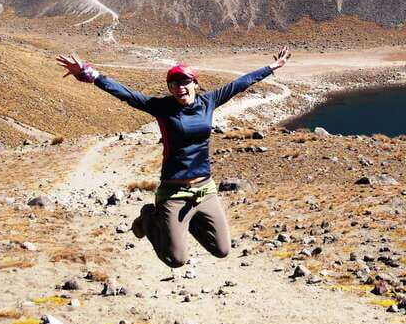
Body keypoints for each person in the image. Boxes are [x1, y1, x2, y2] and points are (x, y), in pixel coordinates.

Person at [56, 47, 291, 268]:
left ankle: (180, 225)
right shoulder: (161, 107)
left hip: (205, 190)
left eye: (185, 81)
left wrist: (272, 67)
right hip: (173, 192)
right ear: (169, 88)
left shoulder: (208, 102)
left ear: (195, 83)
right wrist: (90, 74)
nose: (179, 87)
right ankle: (149, 218)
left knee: (222, 250)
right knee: (176, 260)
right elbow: (125, 94)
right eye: (173, 84)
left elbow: (241, 83)